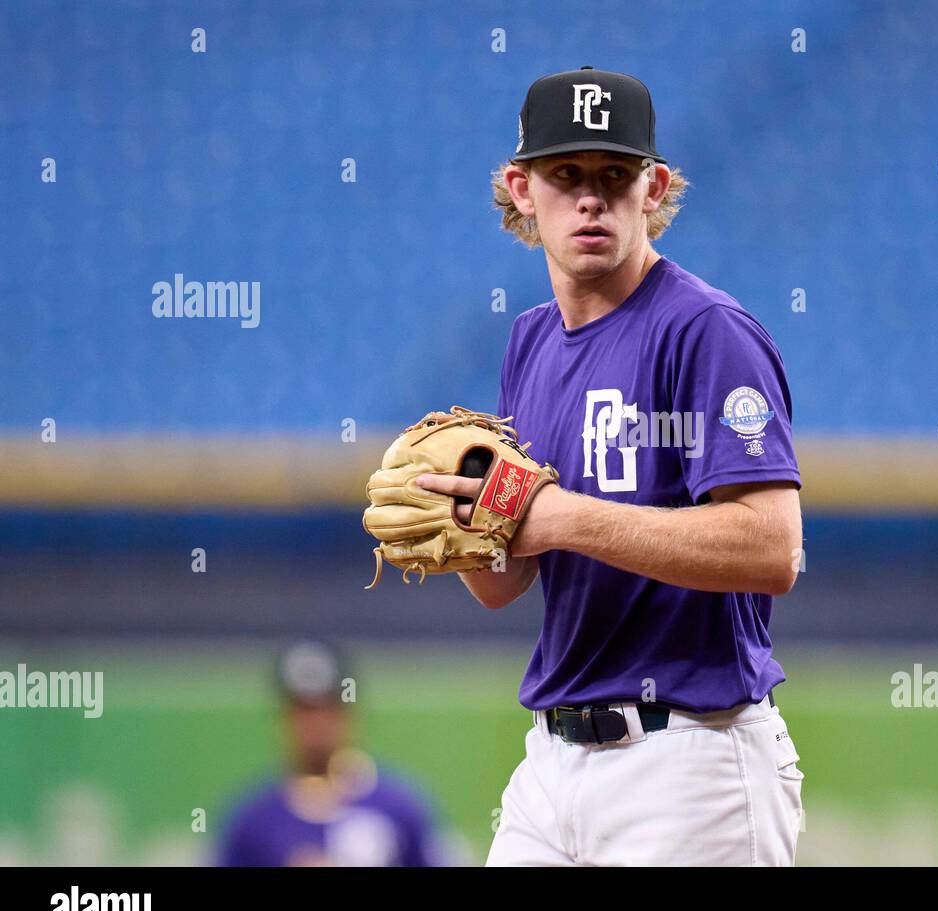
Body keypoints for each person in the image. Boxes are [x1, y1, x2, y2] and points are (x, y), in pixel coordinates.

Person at [420, 66, 805, 866]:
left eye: (614, 175)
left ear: (654, 186)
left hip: (691, 761)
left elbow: (773, 550)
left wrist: (562, 517)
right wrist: (462, 535)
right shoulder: (529, 340)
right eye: (566, 176)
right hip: (553, 762)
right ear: (521, 189)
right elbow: (506, 584)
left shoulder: (705, 331)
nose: (591, 198)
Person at [216, 640, 444, 867]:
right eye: (303, 710)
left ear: (350, 714)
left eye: (327, 709)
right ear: (282, 719)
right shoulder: (253, 820)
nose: (316, 725)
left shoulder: (399, 807)